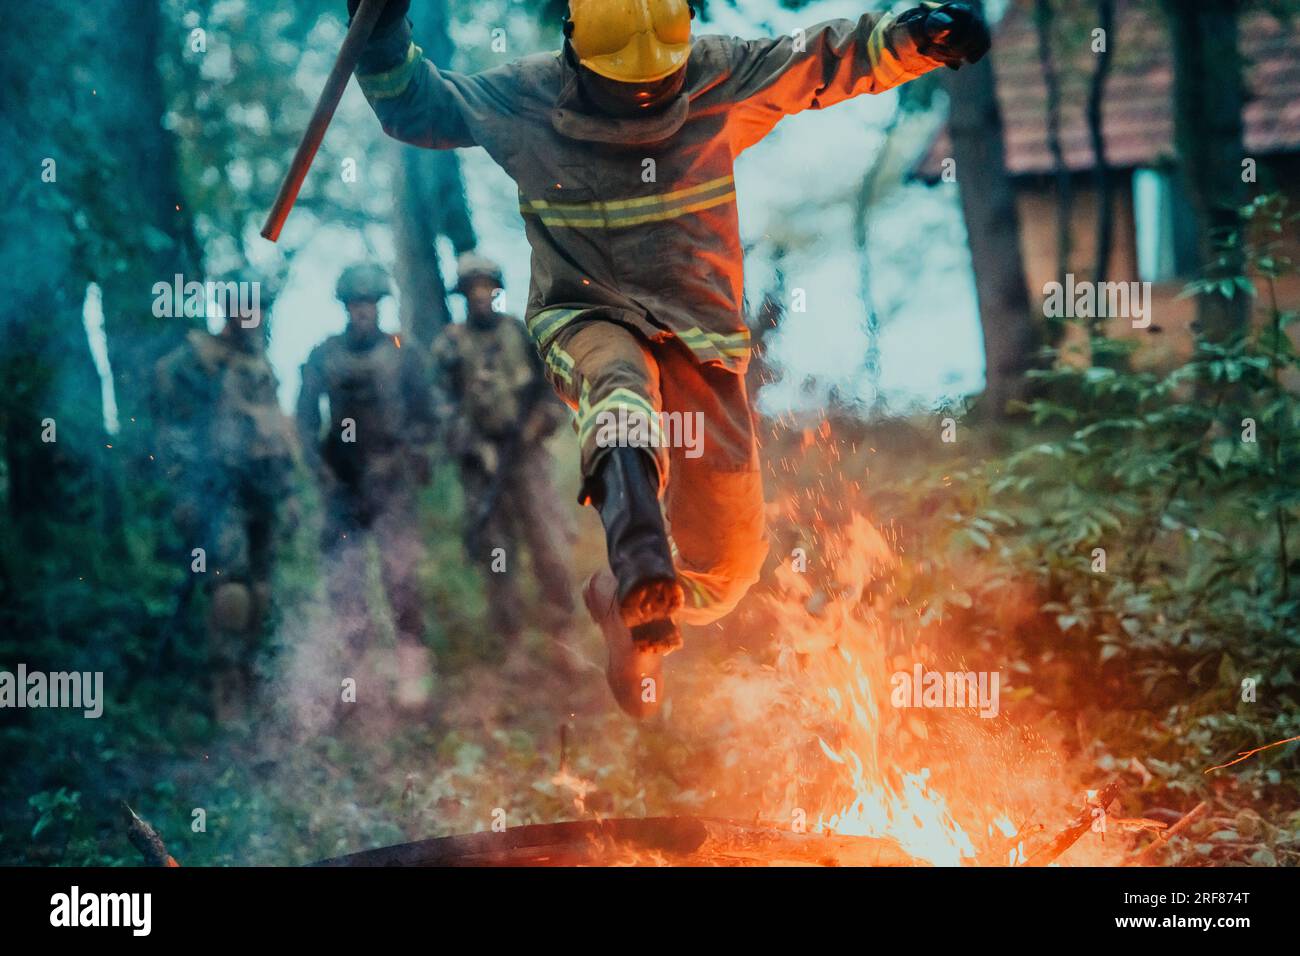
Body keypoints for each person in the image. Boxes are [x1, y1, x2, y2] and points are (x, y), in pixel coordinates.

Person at [346, 0, 990, 716]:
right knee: (619, 388)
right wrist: (382, 34)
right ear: (576, 55)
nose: (645, 109)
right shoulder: (528, 97)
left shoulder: (718, 75)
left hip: (701, 338)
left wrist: (916, 38)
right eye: (627, 93)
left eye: (658, 90)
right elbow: (417, 105)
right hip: (587, 318)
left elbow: (821, 59)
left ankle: (631, 602)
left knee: (729, 568)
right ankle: (638, 560)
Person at [154, 275, 298, 721]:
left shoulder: (260, 365)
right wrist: (186, 492)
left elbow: (277, 431)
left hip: (263, 489)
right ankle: (226, 687)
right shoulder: (194, 362)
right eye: (247, 307)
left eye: (260, 308)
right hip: (219, 491)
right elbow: (172, 434)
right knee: (229, 586)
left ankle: (252, 677)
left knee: (261, 588)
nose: (255, 316)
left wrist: (289, 492)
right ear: (230, 310)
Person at [296, 262, 438, 711]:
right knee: (346, 585)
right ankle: (356, 679)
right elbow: (304, 418)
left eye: (370, 303)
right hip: (343, 483)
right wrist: (319, 470)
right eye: (356, 304)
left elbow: (427, 412)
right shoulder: (324, 355)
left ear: (379, 305)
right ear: (345, 307)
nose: (363, 311)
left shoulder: (403, 352)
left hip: (391, 480)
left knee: (402, 580)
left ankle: (411, 672)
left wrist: (416, 454)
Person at [430, 252, 576, 647]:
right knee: (497, 553)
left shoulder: (522, 335)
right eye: (472, 290)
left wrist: (538, 422)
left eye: (486, 288)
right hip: (481, 467)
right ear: (463, 295)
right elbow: (440, 407)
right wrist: (475, 446)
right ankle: (511, 641)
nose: (480, 296)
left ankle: (563, 631)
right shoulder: (449, 346)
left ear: (496, 291)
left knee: (548, 541)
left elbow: (555, 390)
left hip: (526, 456)